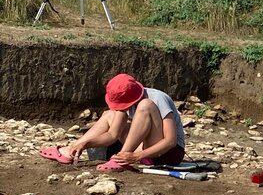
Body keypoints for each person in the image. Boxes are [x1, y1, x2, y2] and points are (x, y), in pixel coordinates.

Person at [39, 73, 186, 173]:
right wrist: (85, 144)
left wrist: (136, 156)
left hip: (168, 154)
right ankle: (71, 150)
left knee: (145, 105)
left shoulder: (157, 98)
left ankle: (121, 159)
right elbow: (112, 135)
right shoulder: (127, 103)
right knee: (110, 115)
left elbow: (170, 141)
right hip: (146, 151)